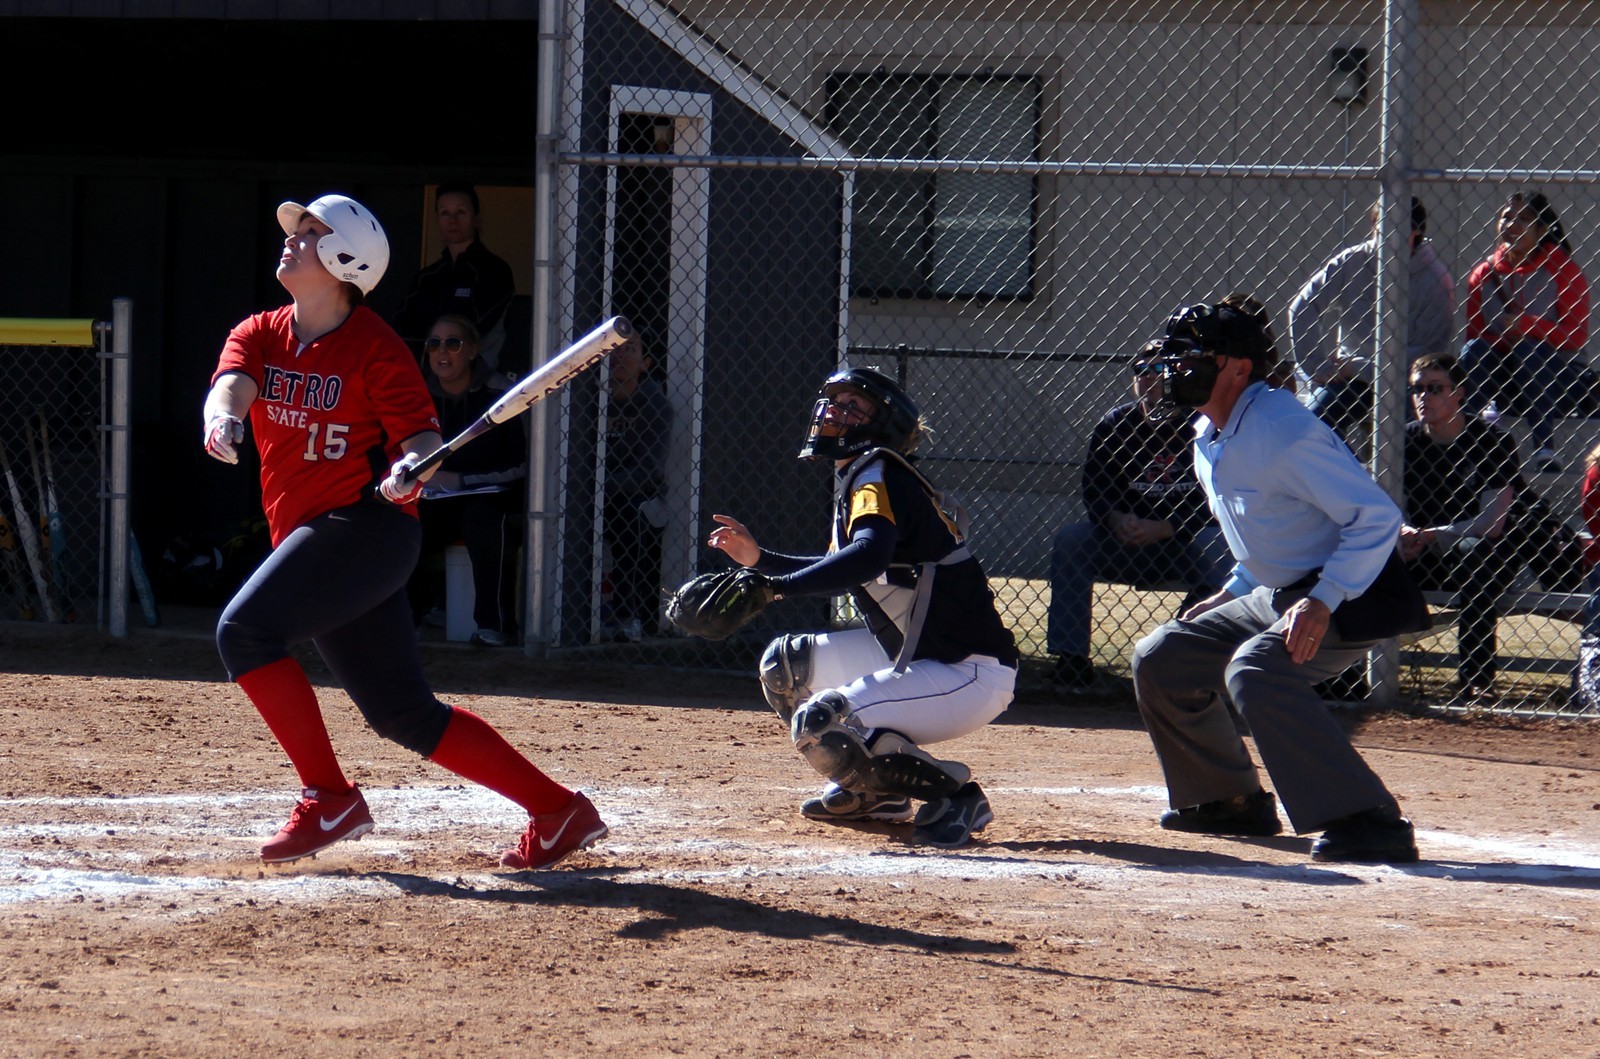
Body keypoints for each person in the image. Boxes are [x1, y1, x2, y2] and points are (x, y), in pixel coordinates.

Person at [201, 193, 605, 870]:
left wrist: (410, 469)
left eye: (309, 234)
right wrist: (223, 420)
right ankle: (560, 809)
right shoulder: (263, 330)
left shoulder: (375, 348)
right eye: (297, 232)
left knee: (243, 631)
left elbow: (419, 436)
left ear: (343, 259)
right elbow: (232, 383)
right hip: (317, 541)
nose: (292, 240)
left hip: (368, 531)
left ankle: (328, 796)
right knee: (403, 714)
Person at [1131, 295, 1422, 864]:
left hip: (1353, 592)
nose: (1173, 370)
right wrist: (1233, 591)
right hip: (1282, 591)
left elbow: (1377, 517)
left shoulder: (1281, 427)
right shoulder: (1208, 435)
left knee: (1256, 670)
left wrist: (1322, 601)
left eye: (1191, 358)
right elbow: (1274, 530)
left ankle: (1366, 818)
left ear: (1238, 369)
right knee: (1162, 656)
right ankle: (1229, 799)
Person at [706, 367, 1018, 848]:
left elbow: (867, 556)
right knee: (787, 665)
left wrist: (774, 587)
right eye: (835, 402)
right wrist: (761, 561)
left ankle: (957, 795)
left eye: (854, 406)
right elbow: (848, 565)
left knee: (822, 722)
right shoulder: (867, 473)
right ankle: (879, 794)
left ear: (879, 425)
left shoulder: (877, 474)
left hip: (968, 671)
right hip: (922, 656)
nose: (835, 412)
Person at [1046, 341, 1231, 691]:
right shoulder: (1116, 424)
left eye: (1158, 370)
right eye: (1141, 370)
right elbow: (1095, 487)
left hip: (1182, 542)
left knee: (1219, 547)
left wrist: (1167, 527)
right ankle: (1070, 660)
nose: (1147, 378)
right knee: (1072, 541)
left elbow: (1215, 496)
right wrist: (1116, 520)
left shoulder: (1201, 426)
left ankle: (1182, 654)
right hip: (1124, 539)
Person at [1398, 353, 1527, 700]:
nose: (1424, 397)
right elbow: (1383, 506)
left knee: (1475, 554)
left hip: (1476, 551)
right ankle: (1352, 676)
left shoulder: (1493, 441)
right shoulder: (1402, 442)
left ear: (1459, 394)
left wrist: (1430, 534)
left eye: (1435, 388)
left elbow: (1492, 523)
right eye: (1417, 388)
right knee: (1365, 550)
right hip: (1419, 551)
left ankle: (1476, 678)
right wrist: (1403, 534)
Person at [1287, 196, 1456, 447]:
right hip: (1348, 378)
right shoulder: (1351, 261)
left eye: (1398, 230)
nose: (1388, 238)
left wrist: (1359, 368)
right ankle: (1350, 475)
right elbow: (1303, 307)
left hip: (1406, 383)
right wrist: (1317, 366)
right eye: (1382, 228)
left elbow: (1425, 355)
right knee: (1312, 424)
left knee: (1410, 444)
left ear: (1416, 232)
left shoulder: (1436, 281)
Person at [407, 314, 527, 647]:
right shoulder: (417, 394)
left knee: (484, 520)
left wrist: (462, 480)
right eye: (434, 344)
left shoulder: (501, 394)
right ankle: (405, 622)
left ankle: (495, 626)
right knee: (405, 521)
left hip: (490, 495)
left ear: (472, 350)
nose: (441, 352)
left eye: (453, 343)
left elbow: (522, 465)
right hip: (433, 496)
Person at [1459, 190, 1592, 473]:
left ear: (1542, 229)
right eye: (1506, 218)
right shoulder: (1483, 274)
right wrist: (1505, 338)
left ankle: (1544, 447)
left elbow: (1576, 337)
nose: (1512, 225)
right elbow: (1474, 334)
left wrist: (1528, 325)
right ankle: (1465, 443)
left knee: (1528, 348)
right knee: (1474, 351)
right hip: (1506, 379)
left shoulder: (1564, 270)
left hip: (1560, 379)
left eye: (1524, 219)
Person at [392, 183, 517, 369]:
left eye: (460, 212)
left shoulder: (494, 270)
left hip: (478, 379)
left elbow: (476, 328)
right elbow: (401, 324)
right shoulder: (427, 277)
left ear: (476, 218)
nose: (452, 220)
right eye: (444, 213)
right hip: (428, 377)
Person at [602, 335, 674, 641]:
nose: (619, 356)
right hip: (592, 492)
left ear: (645, 363)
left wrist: (599, 486)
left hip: (637, 496)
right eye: (612, 350)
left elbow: (647, 471)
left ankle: (626, 615)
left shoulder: (655, 405)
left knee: (629, 517)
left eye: (629, 349)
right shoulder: (589, 402)